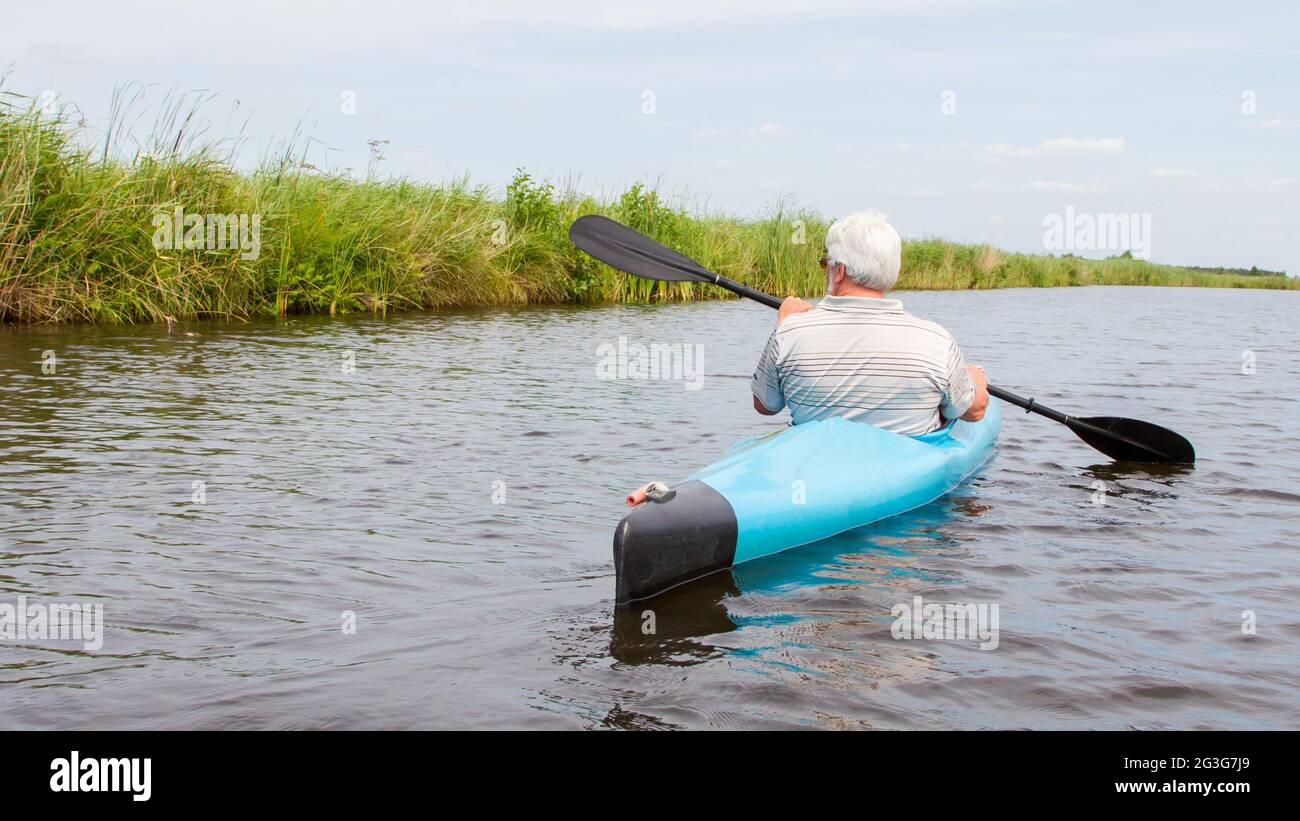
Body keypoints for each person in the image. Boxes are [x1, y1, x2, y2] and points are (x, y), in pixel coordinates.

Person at [751, 210, 988, 435]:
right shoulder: (937, 340)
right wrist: (974, 377)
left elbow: (765, 406)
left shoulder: (790, 333)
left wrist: (783, 325)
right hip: (903, 466)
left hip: (817, 468)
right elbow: (974, 412)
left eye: (826, 264)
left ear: (840, 271)